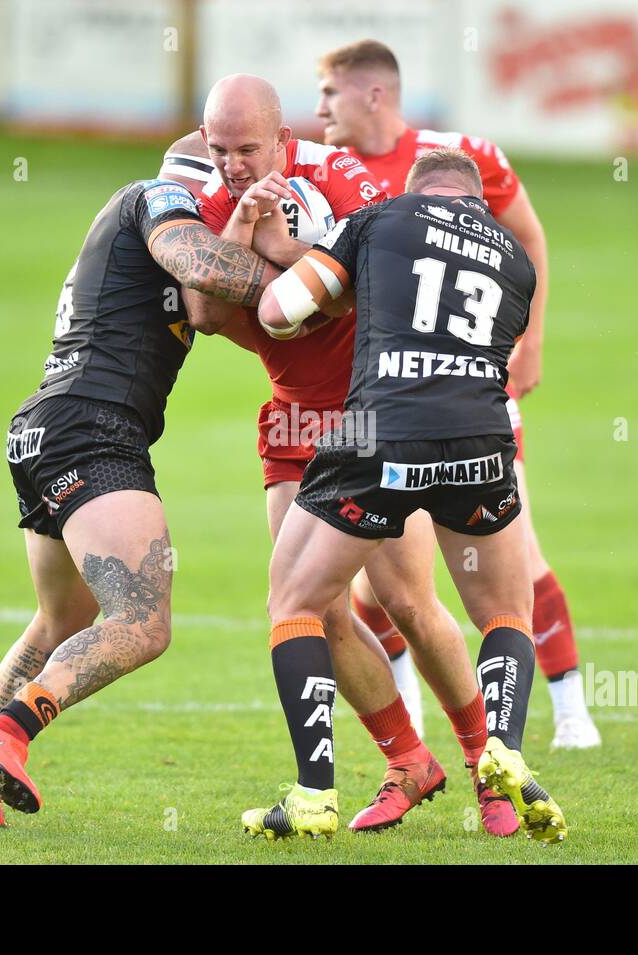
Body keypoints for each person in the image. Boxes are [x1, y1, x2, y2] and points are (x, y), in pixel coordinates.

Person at [186, 75, 515, 834]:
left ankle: (486, 771)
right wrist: (240, 225)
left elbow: (376, 277)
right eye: (219, 149)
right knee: (313, 606)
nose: (232, 163)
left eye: (246, 149)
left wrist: (277, 249)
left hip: (371, 415)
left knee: (406, 600)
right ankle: (408, 759)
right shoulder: (215, 195)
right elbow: (204, 308)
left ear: (282, 138)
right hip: (293, 419)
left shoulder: (336, 175)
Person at [0, 152, 280, 828]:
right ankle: (9, 731)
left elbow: (210, 308)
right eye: (221, 184)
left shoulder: (149, 231)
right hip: (93, 431)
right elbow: (211, 268)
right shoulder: (156, 196)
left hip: (45, 427)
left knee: (59, 622)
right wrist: (332, 277)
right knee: (143, 621)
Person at [243, 148, 568, 843]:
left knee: (294, 599)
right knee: (505, 607)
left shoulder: (378, 217)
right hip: (481, 438)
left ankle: (313, 794)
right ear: (473, 203)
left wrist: (280, 249)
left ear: (414, 192)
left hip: (381, 437)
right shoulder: (515, 260)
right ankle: (500, 752)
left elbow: (278, 311)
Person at [316, 38, 600, 750]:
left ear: (373, 94)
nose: (318, 108)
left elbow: (527, 235)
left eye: (330, 93)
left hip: (470, 397)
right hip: (386, 407)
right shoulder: (324, 175)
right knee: (383, 586)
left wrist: (528, 344)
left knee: (518, 562)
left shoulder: (454, 158)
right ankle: (416, 716)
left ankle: (572, 710)